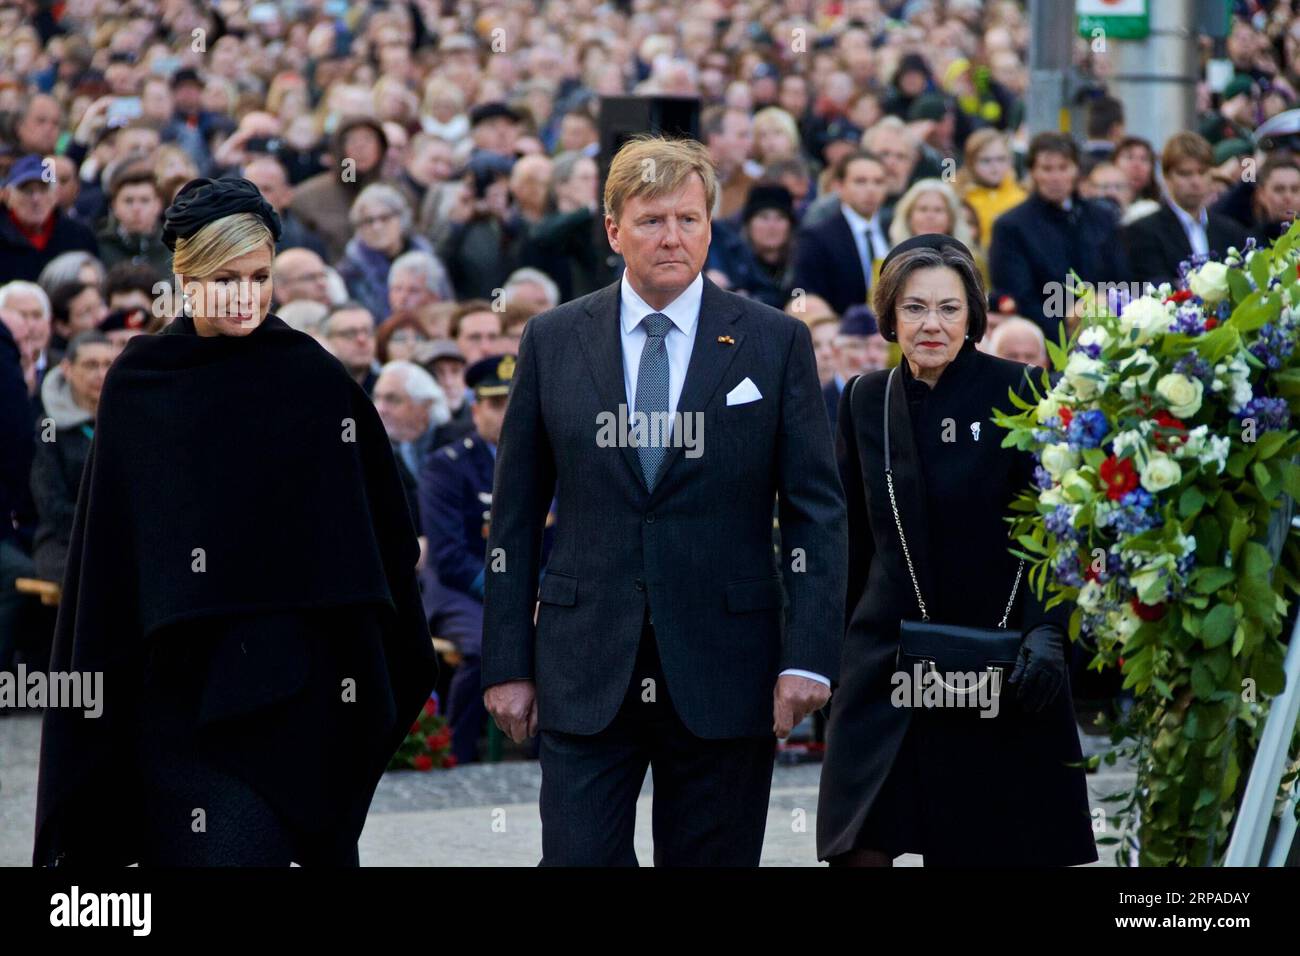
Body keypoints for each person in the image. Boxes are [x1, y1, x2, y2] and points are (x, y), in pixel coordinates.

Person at [33, 177, 437, 866]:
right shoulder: (142, 383)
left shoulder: (312, 377)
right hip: (179, 701)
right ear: (185, 279)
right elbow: (109, 560)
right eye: (225, 279)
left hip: (298, 693)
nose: (245, 296)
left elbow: (387, 527)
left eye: (258, 276)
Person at [482, 135, 846, 866]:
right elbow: (515, 515)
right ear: (613, 229)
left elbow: (817, 511)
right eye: (651, 220)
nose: (671, 237)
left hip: (726, 666)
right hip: (586, 665)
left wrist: (808, 657)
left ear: (711, 226)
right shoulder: (552, 341)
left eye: (688, 218)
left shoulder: (773, 343)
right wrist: (505, 663)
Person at [816, 234, 1096, 867]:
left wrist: (1050, 629)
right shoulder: (864, 399)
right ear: (890, 315)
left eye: (948, 308)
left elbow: (1058, 525)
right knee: (859, 844)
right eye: (914, 308)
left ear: (973, 314)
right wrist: (826, 655)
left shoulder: (1024, 388)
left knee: (985, 850)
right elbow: (850, 540)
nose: (931, 325)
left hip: (997, 661)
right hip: (887, 662)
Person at [419, 355, 516, 764]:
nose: (507, 413)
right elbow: (448, 555)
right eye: (495, 404)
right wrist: (510, 593)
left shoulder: (549, 462)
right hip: (460, 589)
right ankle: (454, 755)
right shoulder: (446, 467)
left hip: (533, 586)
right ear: (475, 409)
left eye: (514, 401)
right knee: (485, 646)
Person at [988, 132, 1128, 341]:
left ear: (1076, 171)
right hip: (1044, 342)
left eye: (1063, 167)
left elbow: (1121, 278)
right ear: (1033, 172)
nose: (1055, 177)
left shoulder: (1102, 217)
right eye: (1046, 168)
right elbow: (1019, 296)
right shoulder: (1011, 226)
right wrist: (1068, 333)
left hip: (1108, 334)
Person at [29, 330, 113, 584]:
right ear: (67, 369)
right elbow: (50, 501)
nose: (101, 374)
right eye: (90, 365)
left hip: (121, 538)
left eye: (108, 364)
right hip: (64, 542)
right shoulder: (49, 427)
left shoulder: (131, 422)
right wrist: (100, 533)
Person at [1124, 132, 1248, 289]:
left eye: (1202, 172)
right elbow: (1154, 285)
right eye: (1185, 173)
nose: (1195, 182)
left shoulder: (1231, 231)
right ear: (1167, 177)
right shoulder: (1143, 231)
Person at [791, 150, 891, 316]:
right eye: (860, 181)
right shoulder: (817, 237)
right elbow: (802, 294)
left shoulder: (894, 230)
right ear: (839, 186)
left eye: (878, 182)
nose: (871, 189)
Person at [0, 155, 99, 285]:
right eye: (26, 190)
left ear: (54, 194)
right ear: (7, 195)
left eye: (43, 189)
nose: (36, 199)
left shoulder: (79, 235)